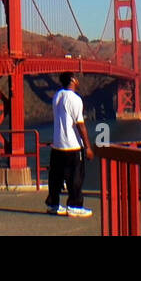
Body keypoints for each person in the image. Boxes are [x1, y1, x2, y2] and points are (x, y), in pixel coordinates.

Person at [45, 72, 92, 218]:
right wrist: (88, 147)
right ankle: (75, 206)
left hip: (57, 144)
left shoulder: (57, 96)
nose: (78, 81)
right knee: (76, 177)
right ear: (72, 80)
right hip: (73, 146)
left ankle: (53, 204)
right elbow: (80, 125)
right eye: (76, 78)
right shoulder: (75, 99)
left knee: (56, 177)